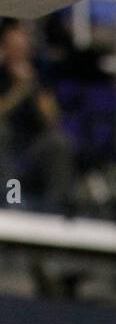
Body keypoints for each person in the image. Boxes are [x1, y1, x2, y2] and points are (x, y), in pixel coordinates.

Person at [0, 20, 74, 212]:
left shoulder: (38, 72)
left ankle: (56, 209)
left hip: (29, 150)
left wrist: (34, 86)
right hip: (5, 146)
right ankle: (11, 203)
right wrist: (19, 89)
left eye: (26, 35)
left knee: (58, 143)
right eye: (19, 34)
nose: (25, 40)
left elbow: (53, 121)